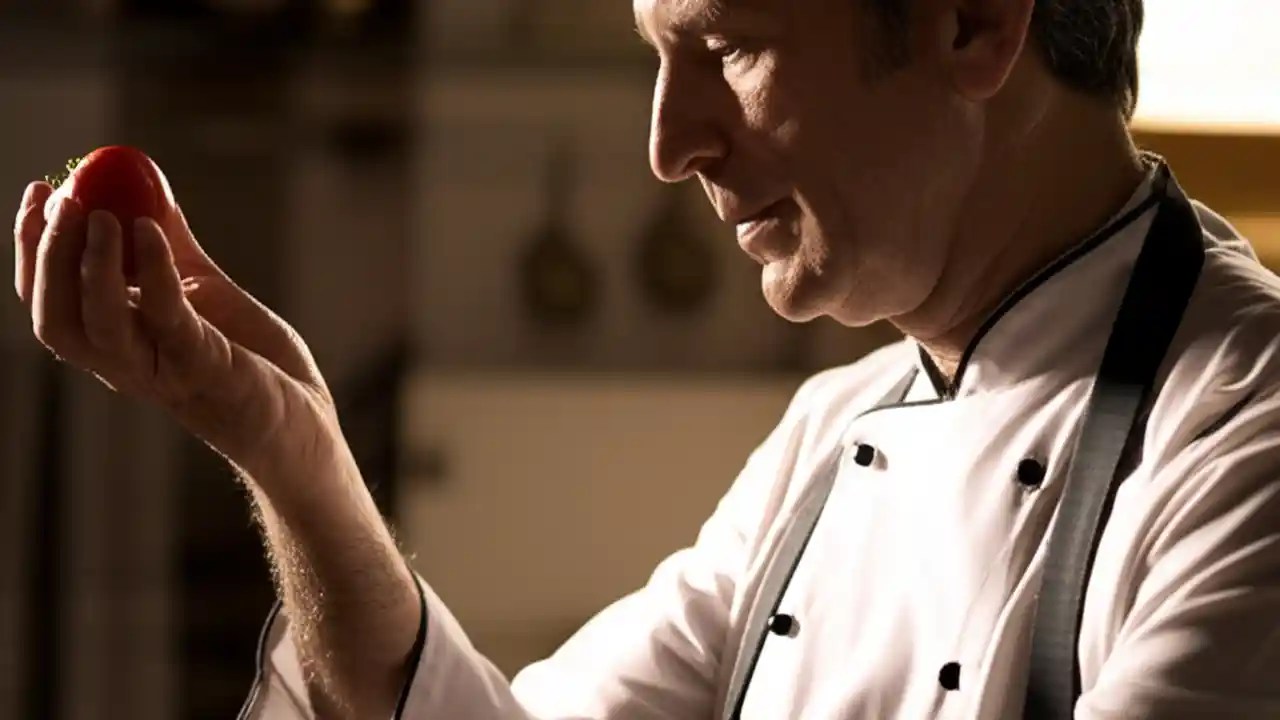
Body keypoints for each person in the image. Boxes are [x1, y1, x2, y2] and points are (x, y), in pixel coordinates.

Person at [12, 0, 1280, 717]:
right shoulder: (828, 439)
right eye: (657, 60)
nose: (670, 145)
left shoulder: (1243, 434)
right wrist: (294, 454)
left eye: (724, 47)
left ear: (970, 23)